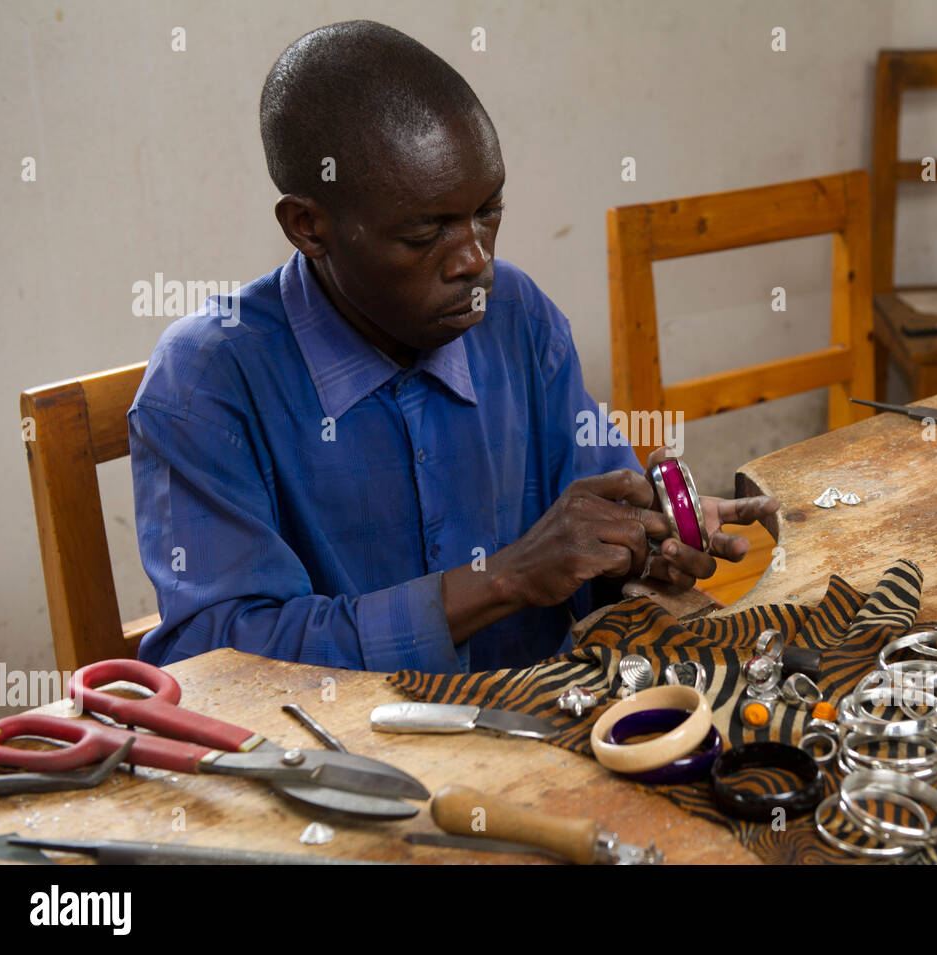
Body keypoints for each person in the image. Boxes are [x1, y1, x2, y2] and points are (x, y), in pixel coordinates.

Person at [128, 20, 777, 673]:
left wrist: (643, 545)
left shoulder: (519, 320)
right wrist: (503, 579)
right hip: (345, 760)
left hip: (548, 727)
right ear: (309, 227)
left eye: (487, 212)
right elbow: (217, 656)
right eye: (424, 233)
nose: (476, 261)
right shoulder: (208, 380)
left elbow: (595, 526)